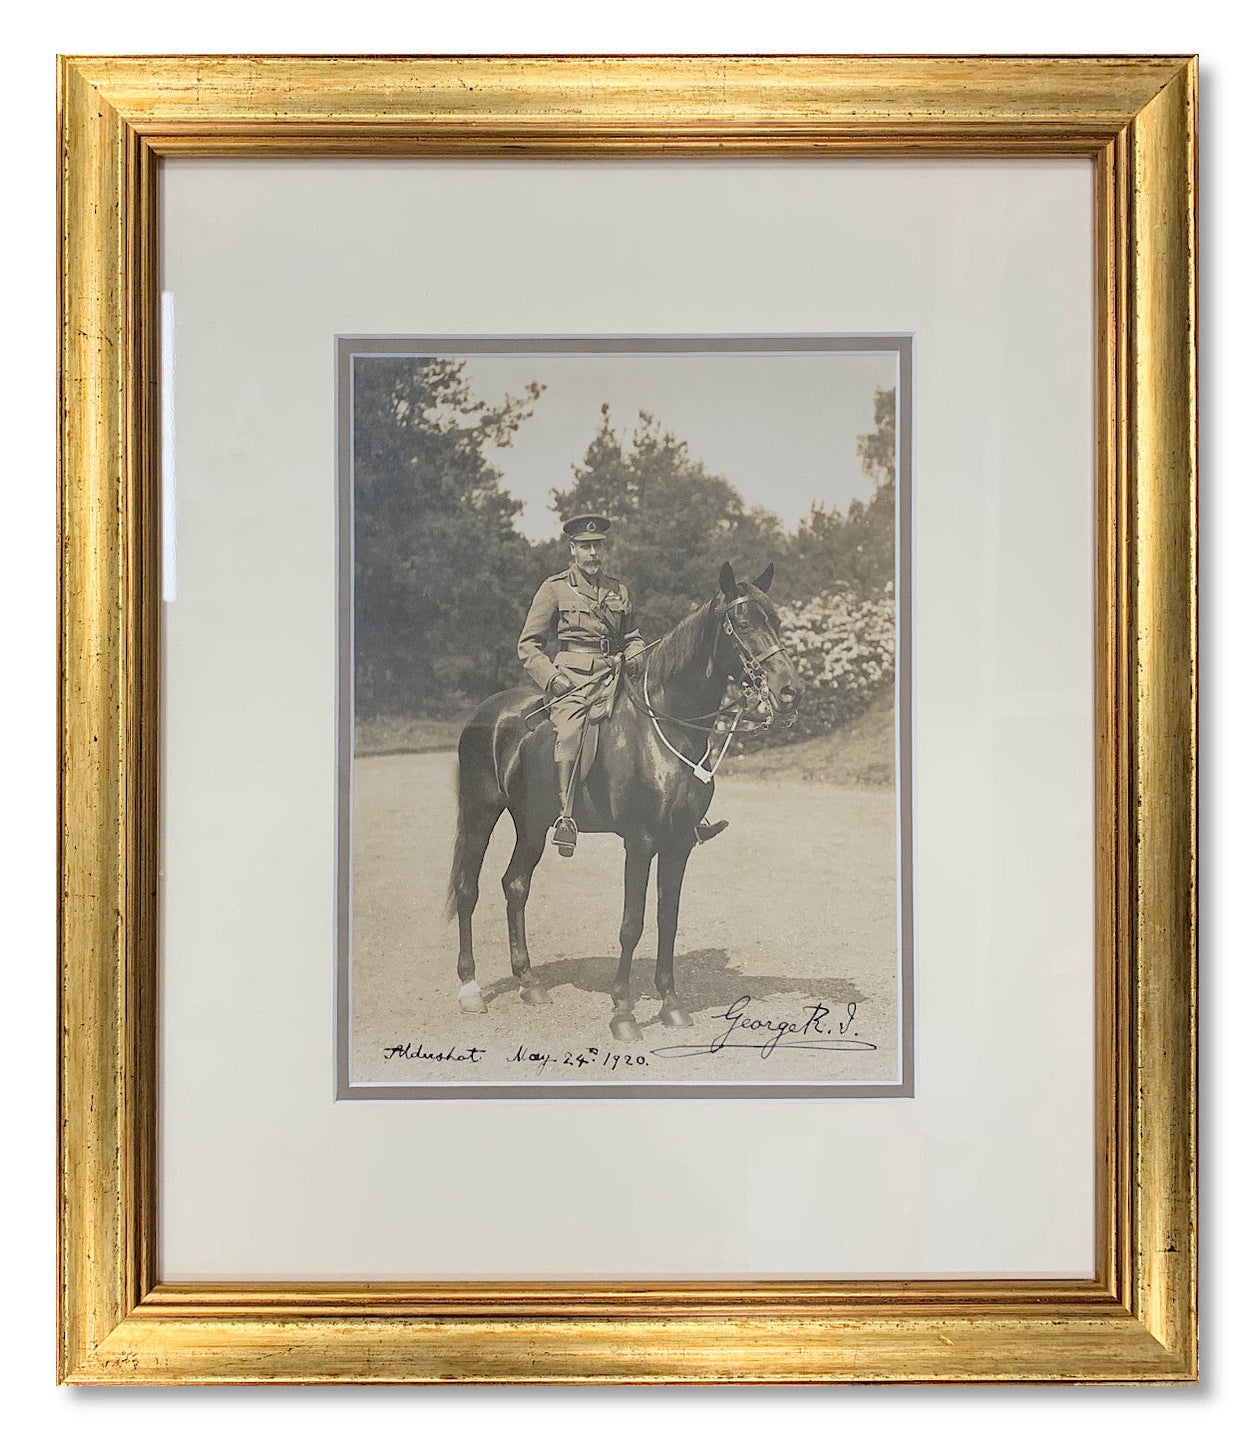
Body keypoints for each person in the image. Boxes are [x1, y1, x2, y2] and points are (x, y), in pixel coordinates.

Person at [517, 514, 727, 856]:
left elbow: (632, 635)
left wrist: (634, 653)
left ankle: (687, 811)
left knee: (659, 725)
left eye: (598, 546)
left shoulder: (618, 590)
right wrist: (553, 679)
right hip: (572, 680)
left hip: (616, 677)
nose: (592, 553)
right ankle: (566, 816)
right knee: (571, 732)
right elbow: (528, 645)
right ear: (572, 550)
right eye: (585, 547)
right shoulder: (554, 588)